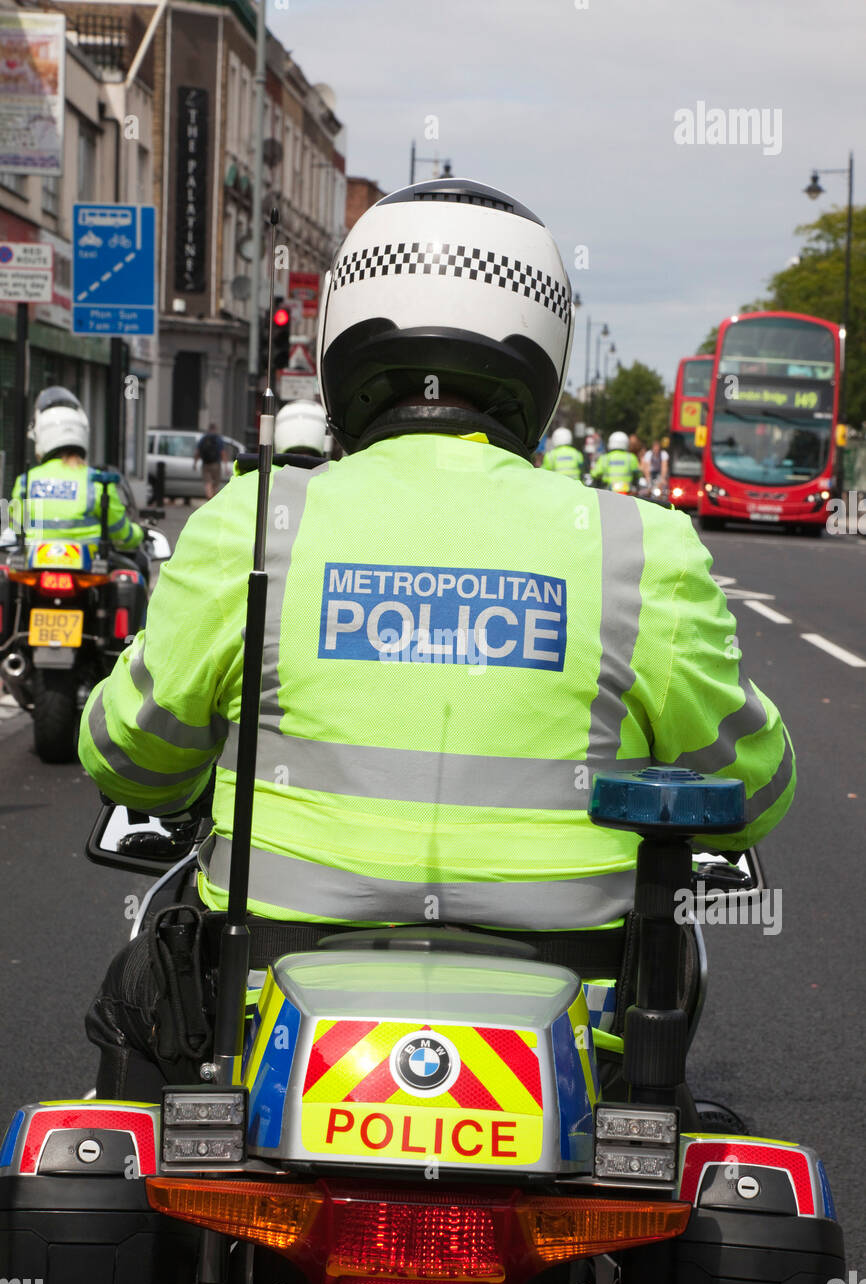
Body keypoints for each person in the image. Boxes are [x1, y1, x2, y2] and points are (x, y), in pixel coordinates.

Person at [78, 178, 794, 1102]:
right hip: (581, 1013)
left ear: (345, 341)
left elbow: (126, 756)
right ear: (543, 359)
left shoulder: (256, 521)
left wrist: (172, 776)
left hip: (263, 995)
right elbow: (753, 787)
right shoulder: (635, 543)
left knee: (132, 1044)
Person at [13, 387, 144, 562]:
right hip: (87, 571)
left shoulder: (26, 481)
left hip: (35, 567)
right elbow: (121, 534)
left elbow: (14, 527)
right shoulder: (97, 481)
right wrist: (139, 533)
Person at [195, 423, 226, 500]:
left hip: (205, 464)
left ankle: (209, 497)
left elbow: (197, 452)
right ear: (215, 429)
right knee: (216, 482)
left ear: (209, 429)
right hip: (216, 464)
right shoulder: (218, 439)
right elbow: (223, 453)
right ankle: (213, 498)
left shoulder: (203, 438)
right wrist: (225, 466)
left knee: (207, 482)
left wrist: (195, 463)